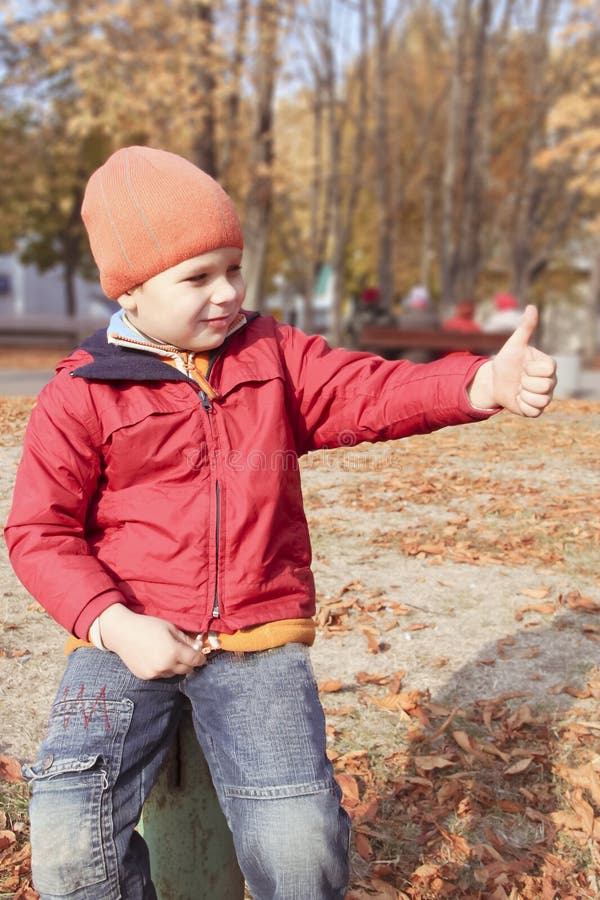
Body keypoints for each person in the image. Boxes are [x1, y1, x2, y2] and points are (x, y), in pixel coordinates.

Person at [4, 146, 556, 900]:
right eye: (196, 277)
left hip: (257, 637)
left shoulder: (272, 355)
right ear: (129, 292)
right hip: (125, 636)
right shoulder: (82, 391)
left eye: (234, 267)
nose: (226, 292)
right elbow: (40, 531)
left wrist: (479, 380)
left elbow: (369, 391)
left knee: (298, 847)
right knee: (69, 835)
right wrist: (112, 623)